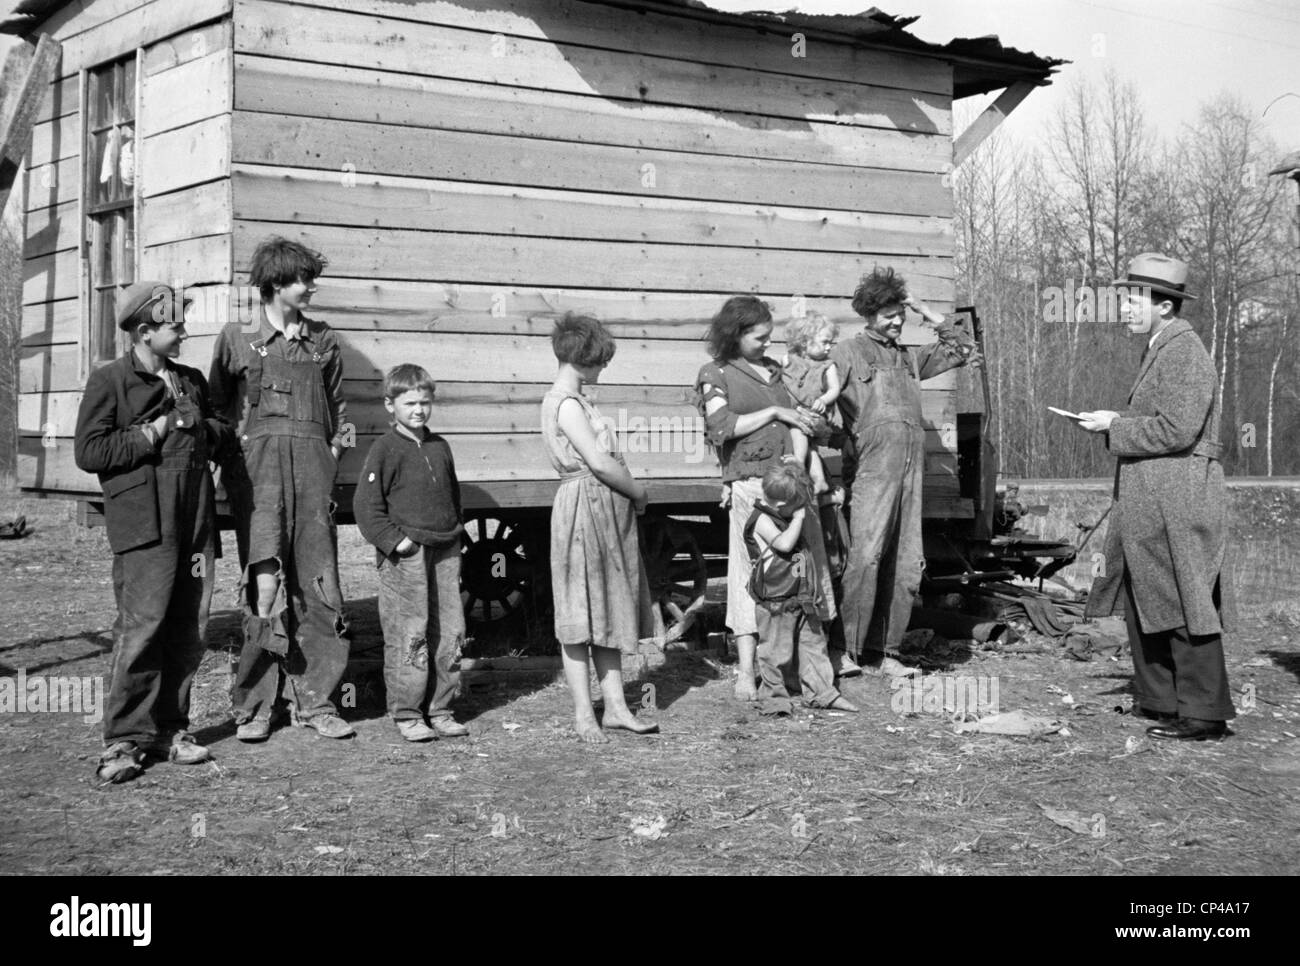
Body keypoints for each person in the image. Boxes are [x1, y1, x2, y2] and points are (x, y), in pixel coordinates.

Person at [74, 280, 233, 782]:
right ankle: (124, 740)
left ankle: (170, 729)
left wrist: (203, 428)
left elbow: (221, 432)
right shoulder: (111, 382)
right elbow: (90, 453)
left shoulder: (190, 380)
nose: (184, 332)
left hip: (194, 519)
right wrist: (155, 430)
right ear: (144, 331)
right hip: (145, 521)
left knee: (189, 628)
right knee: (142, 628)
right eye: (175, 326)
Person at [1077, 253, 1234, 741]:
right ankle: (1161, 700)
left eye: (1132, 299)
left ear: (1164, 307)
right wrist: (1116, 424)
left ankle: (1204, 714)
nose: (1123, 307)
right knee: (1147, 593)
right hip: (1154, 496)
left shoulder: (1185, 351)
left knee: (1185, 599)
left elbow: (1178, 429)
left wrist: (1115, 426)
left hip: (1179, 497)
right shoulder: (1162, 347)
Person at [209, 237, 354, 742]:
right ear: (274, 284)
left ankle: (317, 701)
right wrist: (232, 466)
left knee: (320, 586)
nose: (310, 287)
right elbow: (216, 413)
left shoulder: (325, 340)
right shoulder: (237, 339)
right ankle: (254, 705)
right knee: (264, 585)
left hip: (314, 475)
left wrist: (331, 456)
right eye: (302, 279)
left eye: (311, 277)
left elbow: (339, 412)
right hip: (260, 477)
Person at [831, 267, 976, 677]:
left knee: (907, 564)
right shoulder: (847, 353)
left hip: (910, 475)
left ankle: (886, 653)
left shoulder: (911, 358)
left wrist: (924, 310)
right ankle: (843, 650)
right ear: (868, 314)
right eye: (887, 314)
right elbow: (817, 402)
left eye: (900, 314)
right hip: (871, 473)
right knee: (865, 559)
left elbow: (964, 348)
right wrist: (839, 443)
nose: (896, 321)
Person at [695, 295, 842, 701]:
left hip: (791, 484)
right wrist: (776, 414)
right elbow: (720, 427)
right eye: (759, 338)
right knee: (752, 575)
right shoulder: (716, 374)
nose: (766, 344)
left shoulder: (776, 372)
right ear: (735, 335)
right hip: (751, 486)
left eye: (768, 337)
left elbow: (797, 417)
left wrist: (806, 425)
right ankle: (746, 672)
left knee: (802, 571)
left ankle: (800, 670)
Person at [541, 312, 659, 743]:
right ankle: (582, 713)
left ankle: (615, 708)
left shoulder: (581, 401)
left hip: (601, 512)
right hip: (581, 513)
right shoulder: (565, 403)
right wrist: (639, 492)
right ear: (583, 358)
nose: (602, 369)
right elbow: (599, 463)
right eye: (599, 361)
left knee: (605, 610)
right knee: (578, 616)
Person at [353, 365, 469, 742]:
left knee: (450, 631)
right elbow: (367, 508)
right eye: (410, 403)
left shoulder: (440, 446)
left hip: (445, 550)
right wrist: (395, 542)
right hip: (407, 557)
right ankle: (407, 712)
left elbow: (452, 497)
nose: (419, 410)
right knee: (409, 632)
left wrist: (456, 535)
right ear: (391, 405)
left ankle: (442, 707)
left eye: (425, 402)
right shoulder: (385, 450)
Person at [745, 463, 858, 715]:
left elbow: (801, 557)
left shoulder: (786, 512)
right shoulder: (761, 519)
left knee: (813, 643)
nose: (802, 511)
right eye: (798, 506)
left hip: (801, 593)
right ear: (783, 505)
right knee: (774, 651)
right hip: (775, 599)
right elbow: (784, 545)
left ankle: (822, 693)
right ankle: (774, 699)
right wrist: (797, 520)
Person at [780, 313, 843, 496]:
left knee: (797, 430)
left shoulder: (827, 366)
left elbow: (834, 389)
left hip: (811, 413)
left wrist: (823, 400)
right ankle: (820, 480)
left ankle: (798, 463)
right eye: (824, 342)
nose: (828, 347)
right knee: (811, 448)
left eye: (830, 343)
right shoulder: (788, 361)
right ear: (805, 342)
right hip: (792, 409)